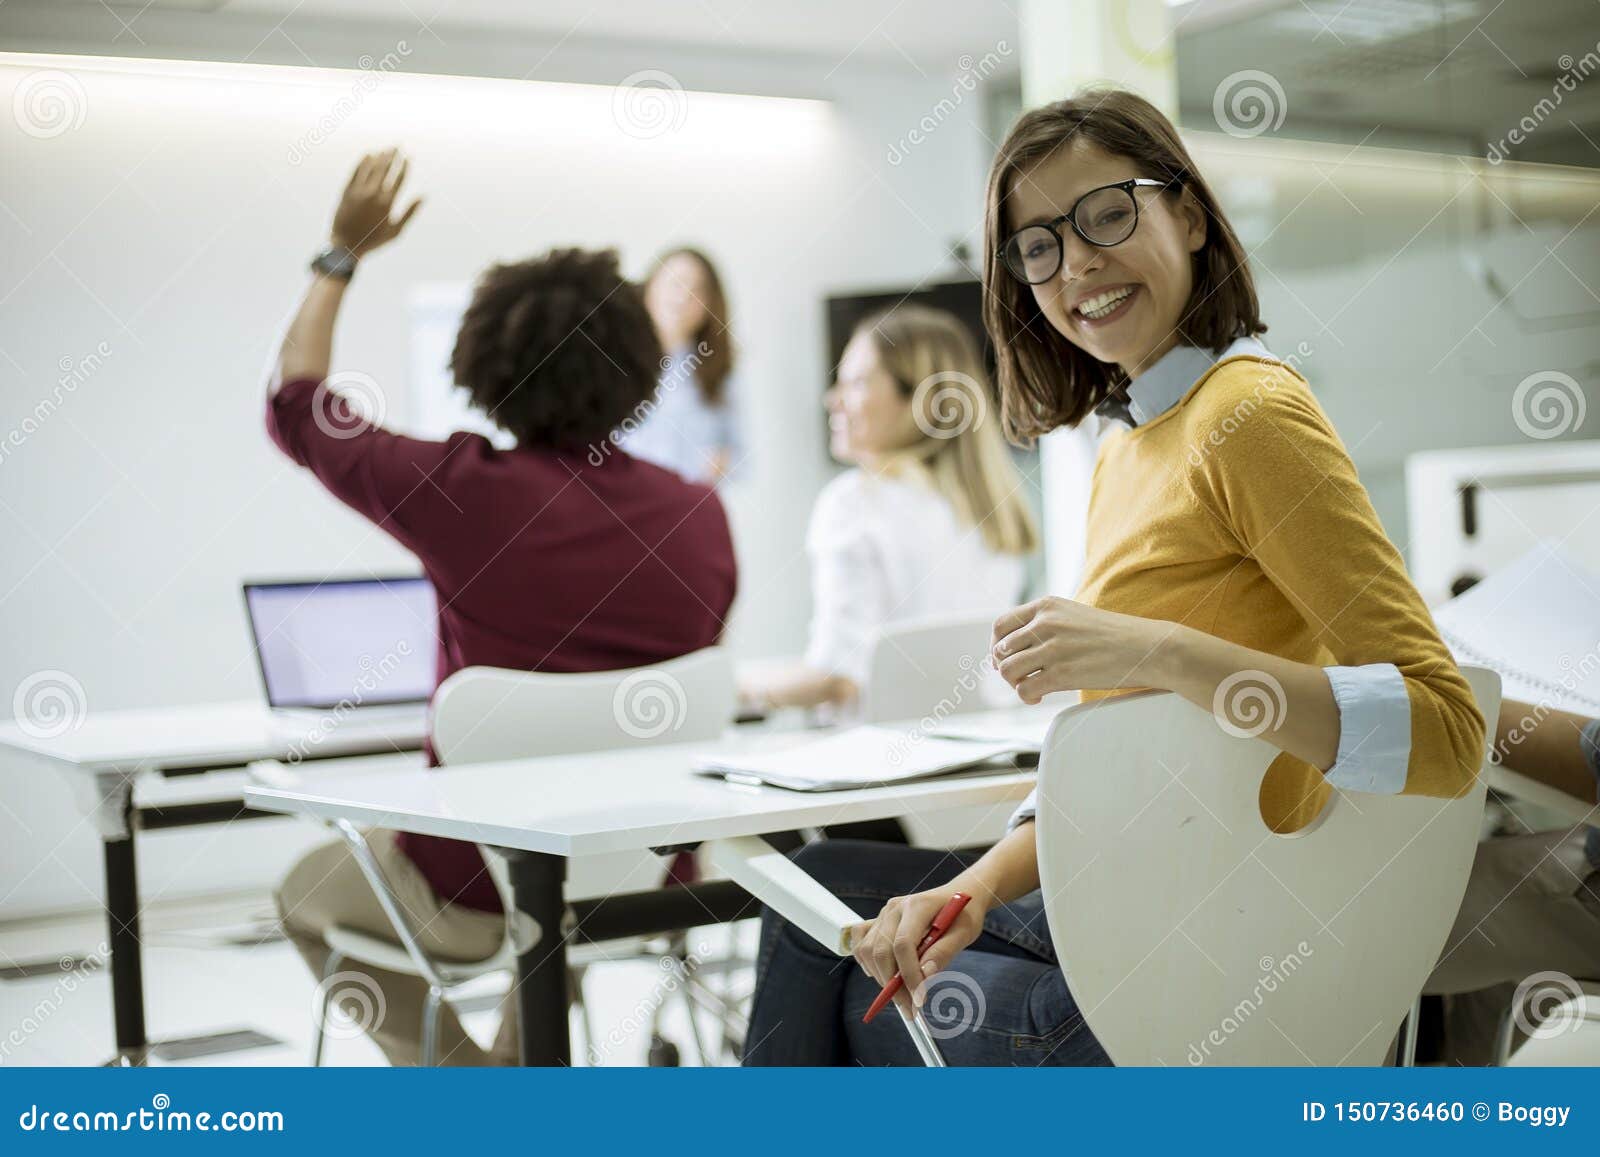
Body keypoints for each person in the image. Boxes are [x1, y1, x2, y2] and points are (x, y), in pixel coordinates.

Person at [743, 89, 1486, 1066]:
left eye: (1104, 214)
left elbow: (1444, 727)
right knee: (835, 894)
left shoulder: (1249, 416)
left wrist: (1158, 650)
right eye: (1037, 244)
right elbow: (1128, 765)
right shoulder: (1130, 440)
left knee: (835, 957)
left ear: (1186, 212)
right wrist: (971, 891)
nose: (1074, 264)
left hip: (1202, 957)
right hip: (1138, 893)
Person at [266, 151, 737, 1065]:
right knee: (554, 892)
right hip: (645, 870)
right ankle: (526, 1093)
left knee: (303, 887)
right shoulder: (699, 513)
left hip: (474, 885)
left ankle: (475, 1095)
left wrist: (341, 253)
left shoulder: (460, 489)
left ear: (483, 364)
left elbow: (295, 405)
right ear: (640, 366)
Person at [739, 305, 1038, 715]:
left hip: (881, 763)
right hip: (985, 751)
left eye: (857, 383)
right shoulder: (998, 512)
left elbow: (837, 678)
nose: (833, 400)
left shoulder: (853, 502)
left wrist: (739, 686)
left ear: (920, 399)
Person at [615, 247, 741, 483]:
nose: (683, 297)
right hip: (627, 503)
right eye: (675, 284)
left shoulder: (721, 370)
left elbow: (741, 456)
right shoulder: (616, 360)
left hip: (690, 505)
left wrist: (720, 465)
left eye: (696, 290)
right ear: (650, 288)